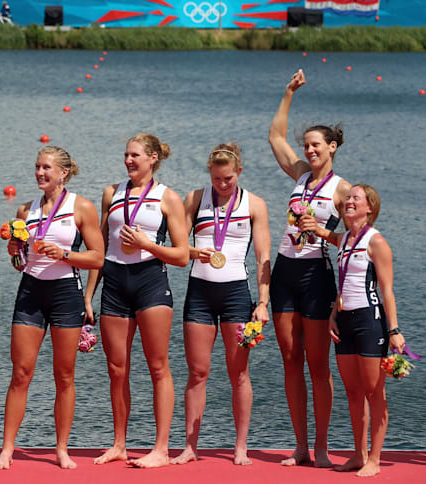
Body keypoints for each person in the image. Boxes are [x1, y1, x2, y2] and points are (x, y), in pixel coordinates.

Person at [0, 146, 104, 470]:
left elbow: (97, 257)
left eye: (46, 168)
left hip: (66, 292)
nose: (40, 173)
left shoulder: (80, 207)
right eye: (37, 167)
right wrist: (15, 251)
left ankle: (62, 449)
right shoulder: (25, 210)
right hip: (30, 291)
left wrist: (64, 254)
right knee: (21, 373)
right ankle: (7, 449)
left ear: (63, 172)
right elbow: (18, 263)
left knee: (64, 375)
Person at [84, 133, 189, 467]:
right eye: (126, 155)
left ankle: (161, 449)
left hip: (150, 283)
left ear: (153, 158)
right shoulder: (111, 194)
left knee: (158, 367)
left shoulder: (167, 198)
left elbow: (183, 255)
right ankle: (119, 444)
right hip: (114, 283)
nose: (128, 161)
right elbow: (99, 249)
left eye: (135, 155)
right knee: (117, 369)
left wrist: (148, 244)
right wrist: (88, 296)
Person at [268, 69, 351, 467]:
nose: (310, 150)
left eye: (316, 145)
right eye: (307, 146)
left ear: (332, 147)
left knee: (318, 365)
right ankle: (299, 445)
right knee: (289, 358)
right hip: (285, 270)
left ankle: (321, 447)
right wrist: (288, 94)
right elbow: (275, 139)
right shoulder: (300, 174)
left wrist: (321, 230)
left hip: (316, 276)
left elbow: (355, 240)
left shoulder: (343, 190)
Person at [170, 144, 271, 466]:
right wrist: (189, 250)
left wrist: (264, 302)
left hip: (236, 295)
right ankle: (189, 447)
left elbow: (263, 257)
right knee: (197, 372)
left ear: (238, 172)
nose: (222, 184)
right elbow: (178, 247)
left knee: (238, 373)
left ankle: (240, 447)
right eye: (216, 178)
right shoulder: (195, 199)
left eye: (227, 178)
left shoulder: (254, 204)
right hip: (199, 293)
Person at [329, 185, 403, 477]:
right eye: (348, 198)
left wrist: (394, 329)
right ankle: (358, 455)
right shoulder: (344, 239)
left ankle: (375, 458)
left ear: (369, 207)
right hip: (344, 321)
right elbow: (343, 283)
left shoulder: (377, 242)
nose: (349, 201)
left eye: (355, 198)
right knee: (352, 391)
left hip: (370, 321)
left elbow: (387, 291)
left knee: (374, 391)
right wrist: (333, 315)